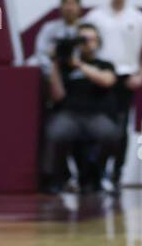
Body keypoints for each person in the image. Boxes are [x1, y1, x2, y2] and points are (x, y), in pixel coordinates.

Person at [84, 0, 142, 192]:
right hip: (100, 77)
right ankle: (94, 174)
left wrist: (141, 75)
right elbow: (84, 43)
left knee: (121, 128)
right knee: (97, 126)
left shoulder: (138, 17)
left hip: (126, 78)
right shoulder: (96, 16)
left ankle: (117, 173)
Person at [40, 22, 121, 194]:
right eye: (82, 39)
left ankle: (98, 175)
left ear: (98, 42)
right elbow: (57, 96)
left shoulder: (104, 64)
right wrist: (55, 63)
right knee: (55, 132)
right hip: (70, 114)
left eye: (90, 39)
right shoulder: (64, 67)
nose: (86, 44)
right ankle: (57, 178)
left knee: (110, 133)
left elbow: (107, 81)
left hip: (96, 114)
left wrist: (79, 65)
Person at [29, 0, 84, 73]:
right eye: (66, 4)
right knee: (32, 62)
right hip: (52, 67)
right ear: (60, 7)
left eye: (73, 4)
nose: (69, 8)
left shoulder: (86, 28)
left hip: (78, 67)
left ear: (79, 7)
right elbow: (40, 51)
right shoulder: (49, 27)